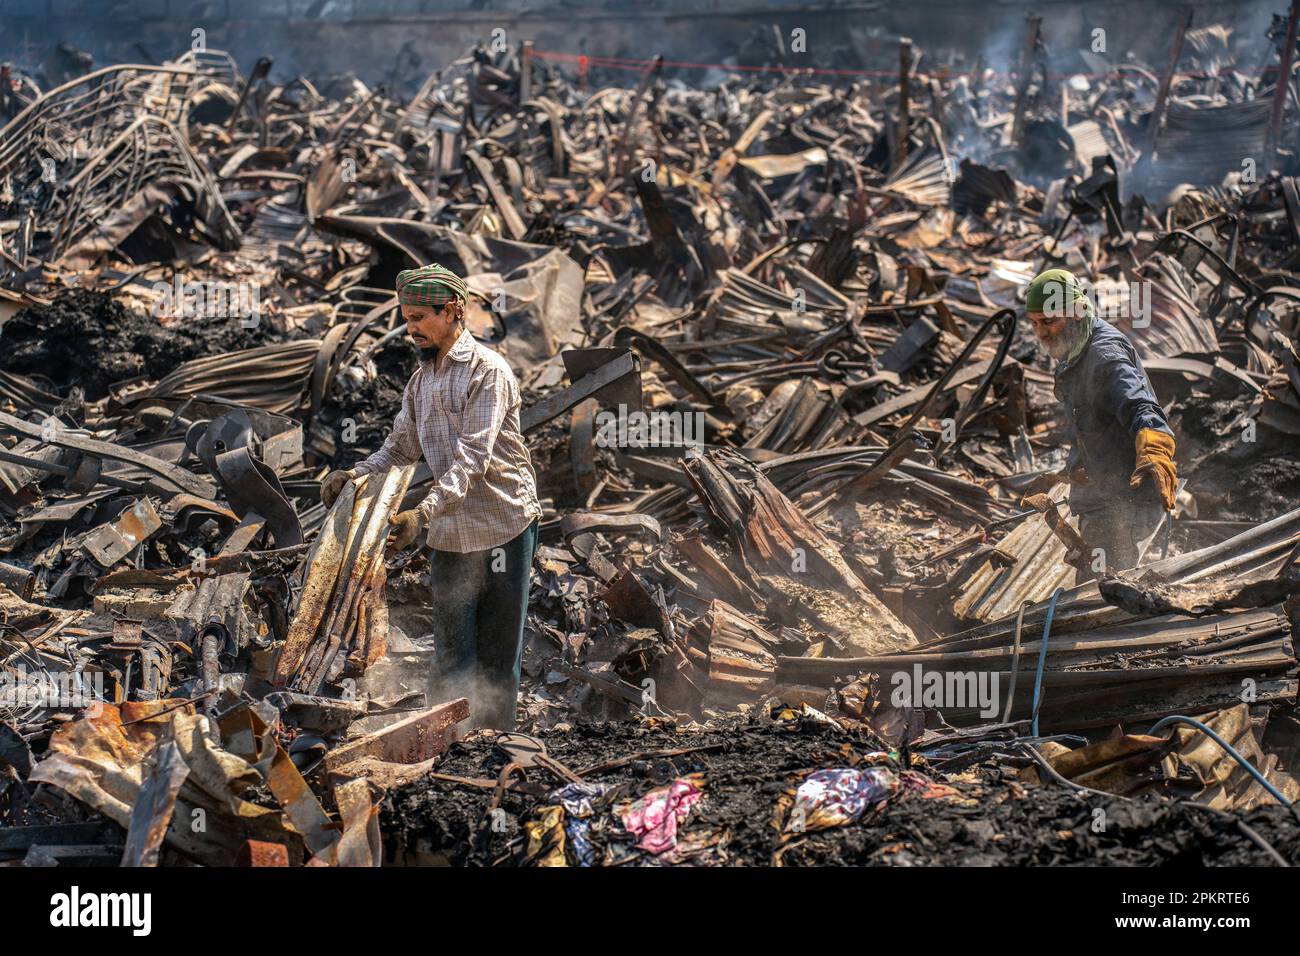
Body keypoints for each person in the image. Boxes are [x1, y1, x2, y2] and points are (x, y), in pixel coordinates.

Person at [320, 263, 542, 729]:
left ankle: (496, 741)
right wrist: (355, 478)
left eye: (420, 317)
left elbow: (473, 460)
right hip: (451, 528)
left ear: (454, 312)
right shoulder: (422, 381)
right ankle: (445, 741)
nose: (411, 328)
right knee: (451, 647)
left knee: (499, 648)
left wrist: (420, 514)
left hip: (503, 523)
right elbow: (400, 448)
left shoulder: (488, 372)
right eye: (407, 318)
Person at [1023, 268, 1178, 578]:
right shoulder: (1073, 348)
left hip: (1123, 499)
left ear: (1076, 312)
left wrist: (1156, 449)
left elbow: (1140, 405)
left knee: (1103, 594)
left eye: (1049, 321)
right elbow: (1089, 421)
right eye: (1035, 323)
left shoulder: (1106, 356)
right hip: (1099, 491)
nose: (1041, 333)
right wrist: (1075, 467)